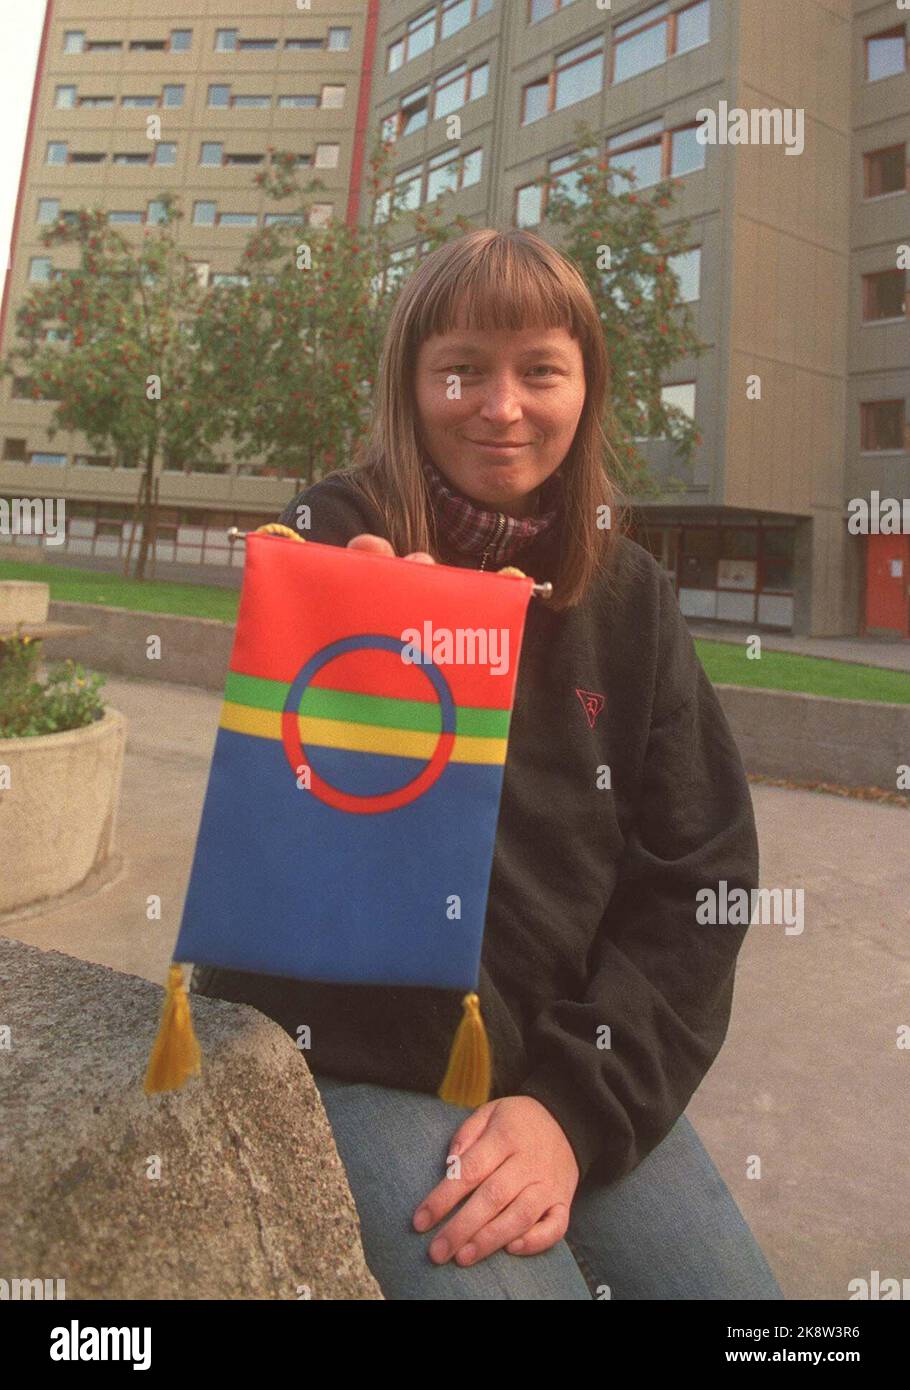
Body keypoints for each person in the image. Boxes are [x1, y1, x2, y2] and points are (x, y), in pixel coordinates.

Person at [192, 227, 783, 1301]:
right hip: (372, 1054)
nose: (500, 406)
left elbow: (698, 873)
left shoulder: (631, 594)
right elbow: (275, 845)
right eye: (461, 368)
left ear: (585, 386)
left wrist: (571, 1106)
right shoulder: (333, 531)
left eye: (538, 369)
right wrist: (348, 653)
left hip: (575, 1056)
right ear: (412, 385)